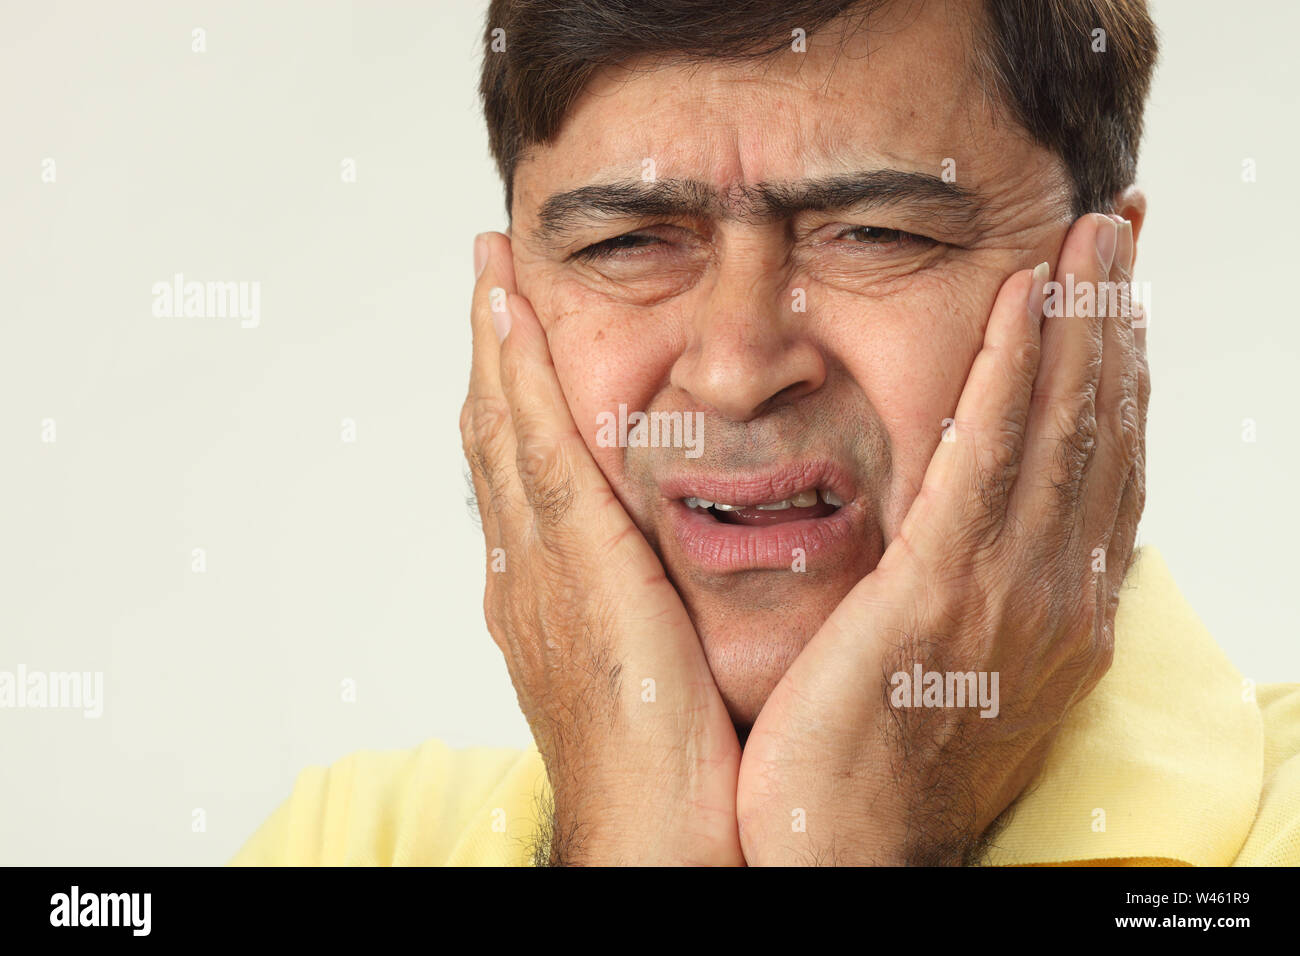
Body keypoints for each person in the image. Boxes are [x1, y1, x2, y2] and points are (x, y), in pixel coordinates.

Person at [232, 0, 1300, 866]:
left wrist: (868, 829)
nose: (737, 368)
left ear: (1097, 294)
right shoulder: (344, 843)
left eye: (875, 233)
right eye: (629, 240)